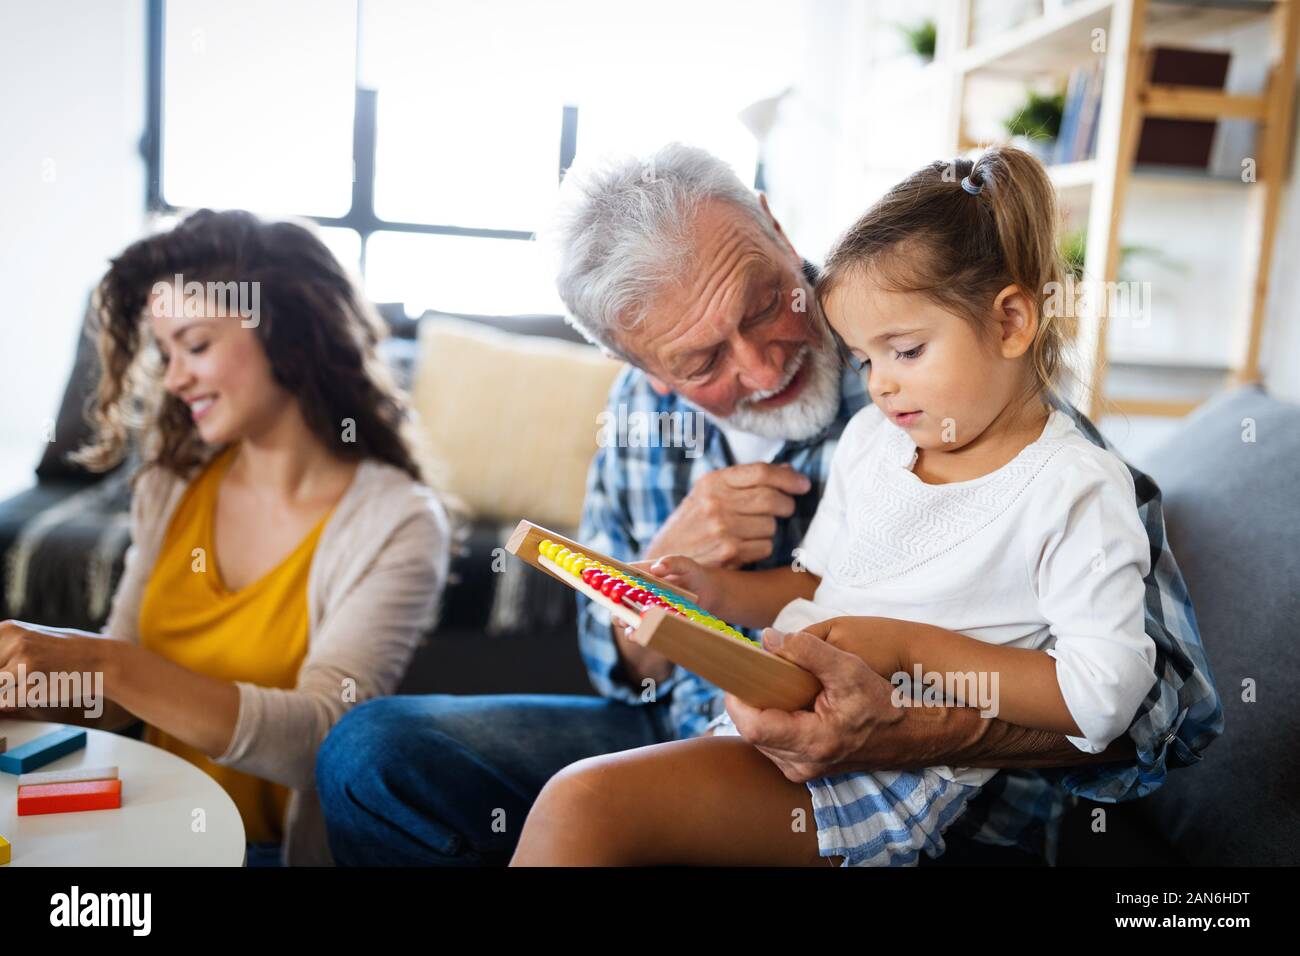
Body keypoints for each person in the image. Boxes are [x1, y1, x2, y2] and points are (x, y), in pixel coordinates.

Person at [317, 144, 1220, 867]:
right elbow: (619, 667)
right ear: (636, 365)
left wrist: (907, 724)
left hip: (909, 775)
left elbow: (1161, 717)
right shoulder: (646, 411)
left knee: (588, 807)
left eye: (763, 304)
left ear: (777, 228)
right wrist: (676, 587)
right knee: (369, 756)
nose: (758, 367)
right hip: (694, 727)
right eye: (698, 364)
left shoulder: (955, 381)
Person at [0, 209, 450, 865]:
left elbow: (323, 735)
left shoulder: (397, 522)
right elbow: (121, 703)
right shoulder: (171, 486)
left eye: (197, 344)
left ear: (286, 332)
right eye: (166, 353)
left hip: (262, 854)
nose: (176, 378)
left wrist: (106, 662)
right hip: (142, 832)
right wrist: (38, 687)